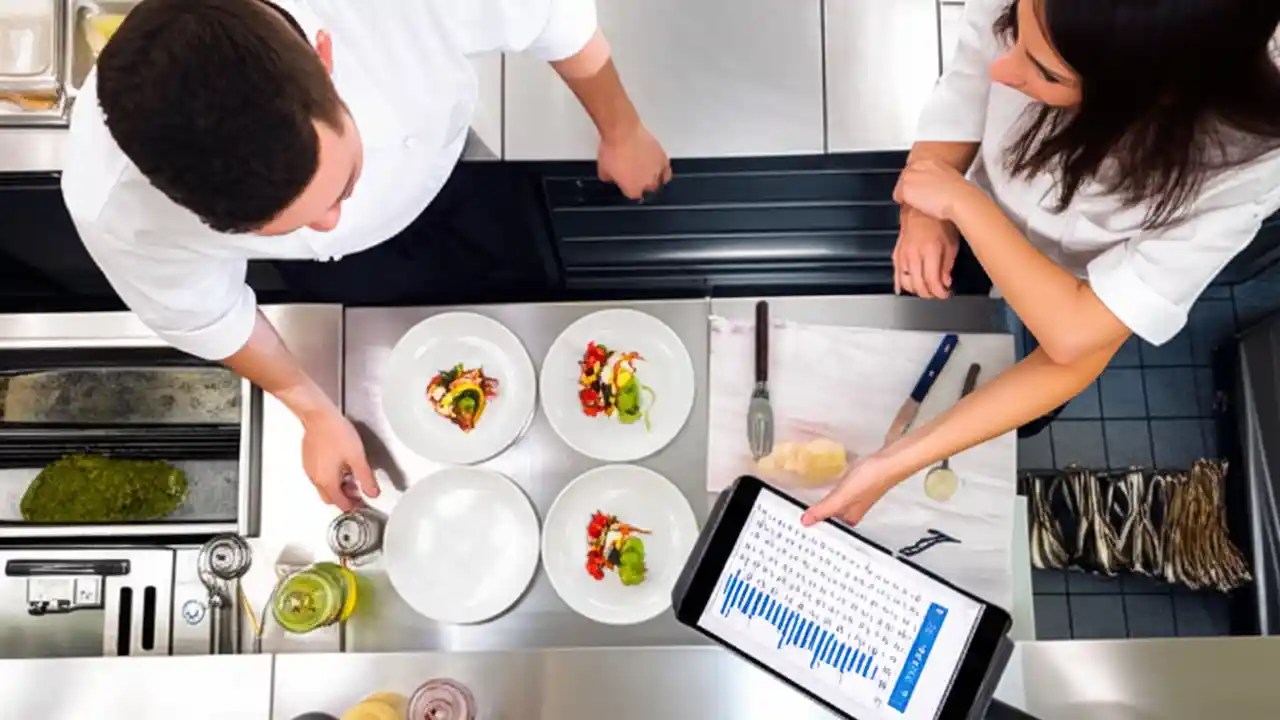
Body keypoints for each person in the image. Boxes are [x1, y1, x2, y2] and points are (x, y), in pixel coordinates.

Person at [60, 0, 670, 510]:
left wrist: (622, 131)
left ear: (324, 57)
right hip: (344, 269)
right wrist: (312, 411)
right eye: (282, 226)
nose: (334, 219)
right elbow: (205, 313)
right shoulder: (113, 202)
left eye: (342, 183)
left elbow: (553, 16)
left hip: (451, 169)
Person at [805, 0, 1280, 526]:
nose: (1004, 72)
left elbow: (1075, 343)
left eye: (1047, 73)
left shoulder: (1244, 170)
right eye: (1014, 27)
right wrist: (927, 202)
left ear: (1149, 99)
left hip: (1071, 283)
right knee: (945, 308)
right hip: (979, 212)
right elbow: (971, 72)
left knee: (1024, 397)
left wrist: (959, 201)